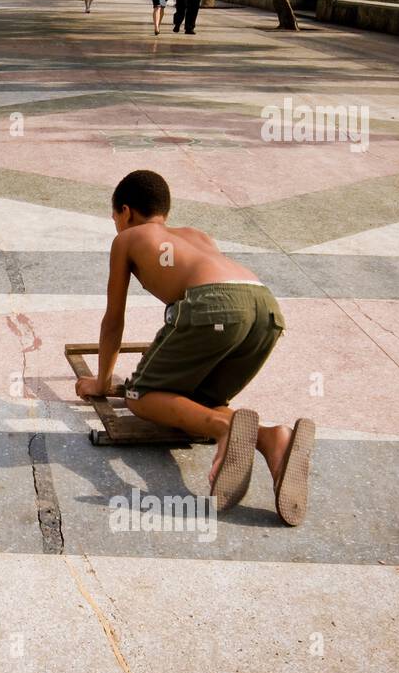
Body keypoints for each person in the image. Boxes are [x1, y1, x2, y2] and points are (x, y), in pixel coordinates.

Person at [77, 170, 313, 526]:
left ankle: (223, 430)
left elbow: (114, 320)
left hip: (213, 305)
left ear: (125, 212)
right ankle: (271, 438)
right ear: (165, 212)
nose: (116, 225)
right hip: (264, 309)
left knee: (140, 396)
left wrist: (101, 382)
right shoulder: (198, 236)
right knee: (192, 405)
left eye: (114, 218)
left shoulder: (128, 238)